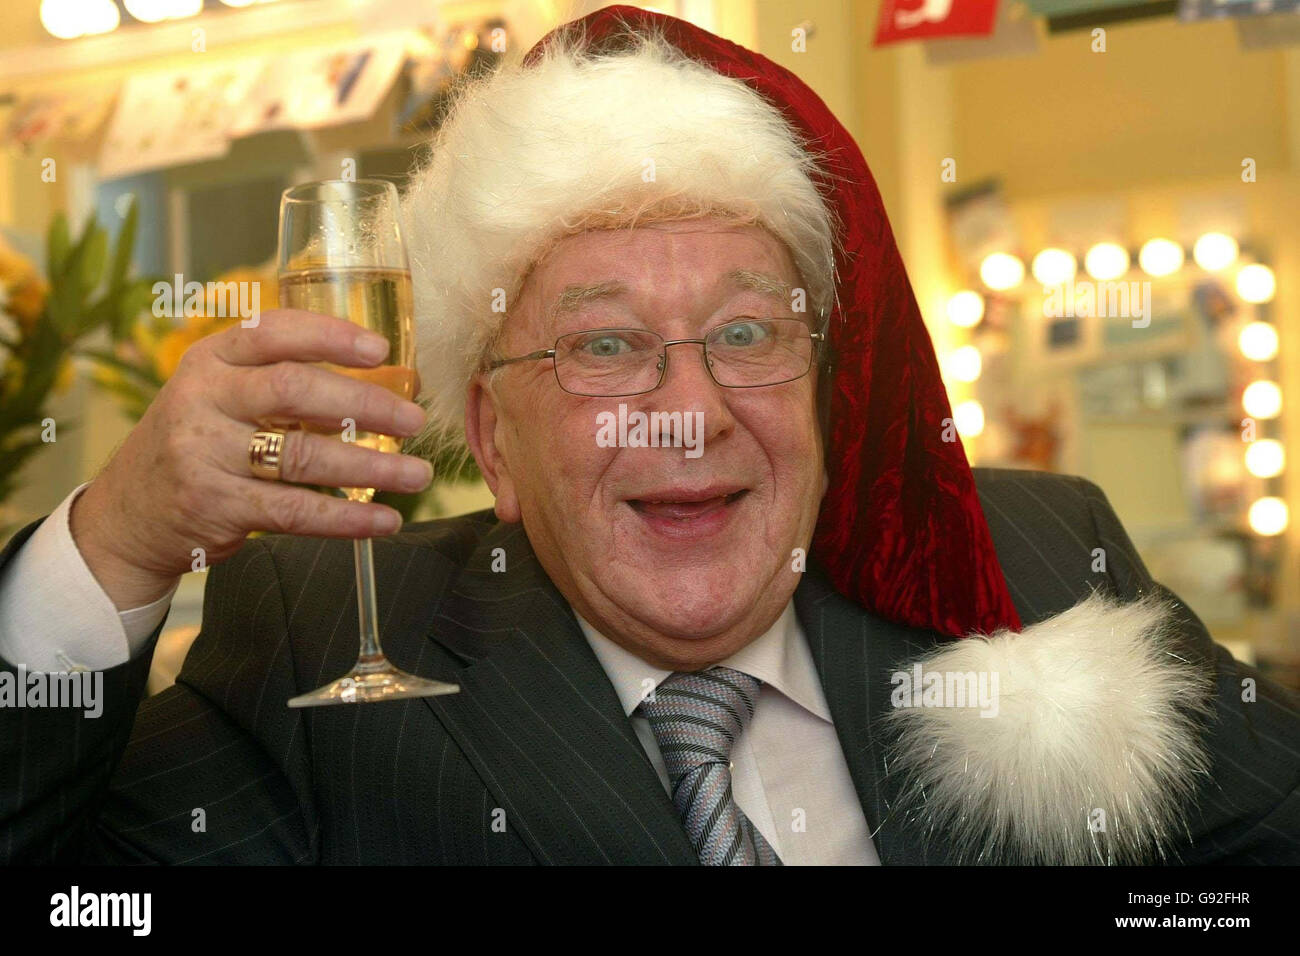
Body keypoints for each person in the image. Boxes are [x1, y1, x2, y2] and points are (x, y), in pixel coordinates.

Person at [1, 5, 1296, 866]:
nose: (691, 405)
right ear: (495, 442)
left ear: (826, 390)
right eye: (604, 345)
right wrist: (115, 542)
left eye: (746, 334)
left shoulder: (1031, 555)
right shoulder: (322, 641)